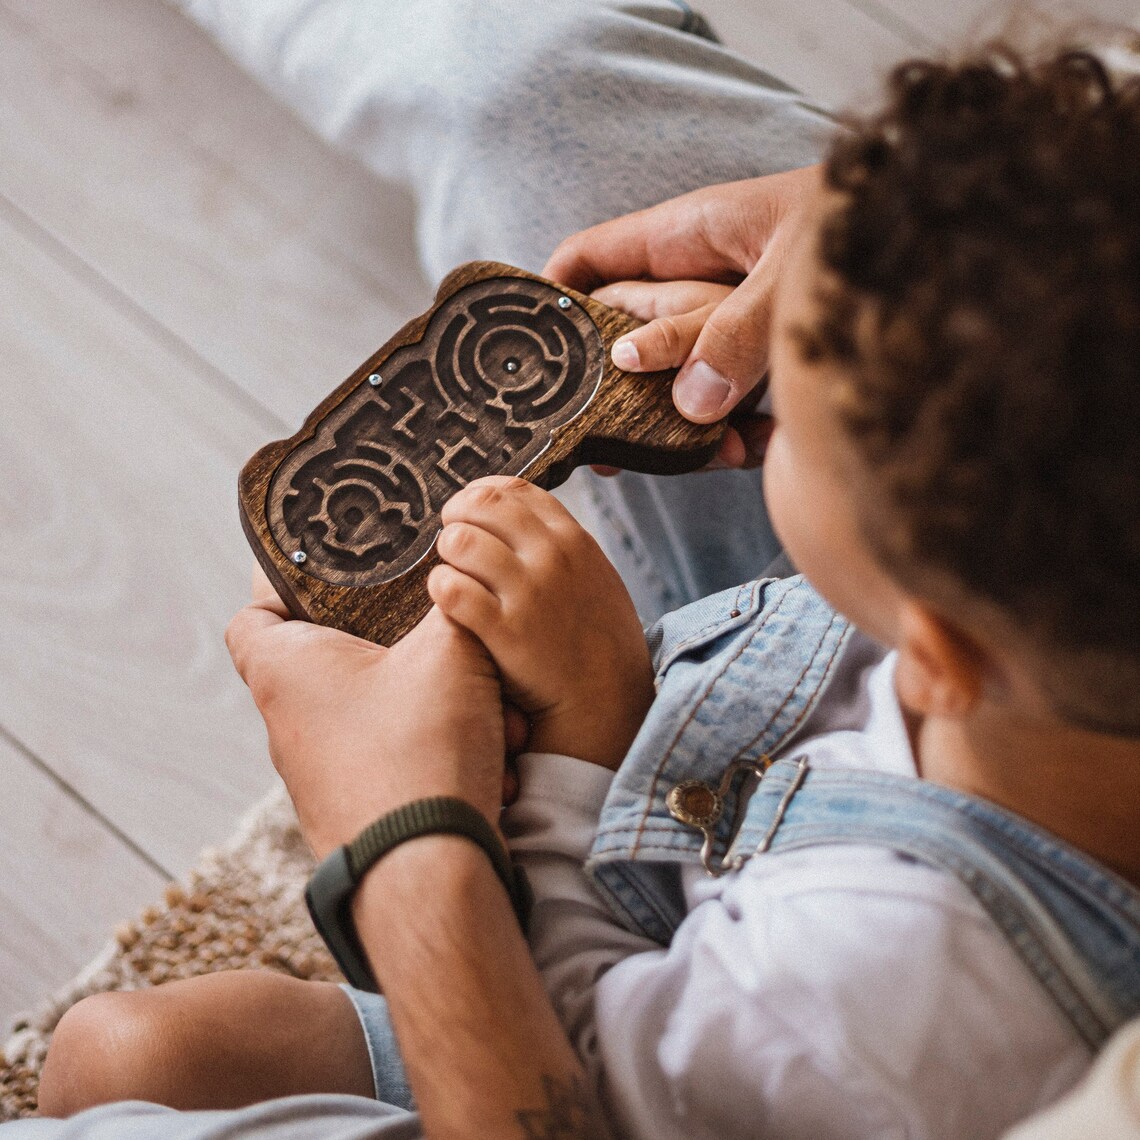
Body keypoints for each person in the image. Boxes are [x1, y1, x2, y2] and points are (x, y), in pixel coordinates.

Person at [10, 5, 1140, 1140]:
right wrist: (865, 220)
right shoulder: (1056, 647)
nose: (756, 363)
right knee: (128, 1052)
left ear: (931, 648)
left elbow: (590, 1056)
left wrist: (523, 771)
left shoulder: (858, 1020)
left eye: (795, 420)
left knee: (126, 1066)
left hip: (640, 1053)